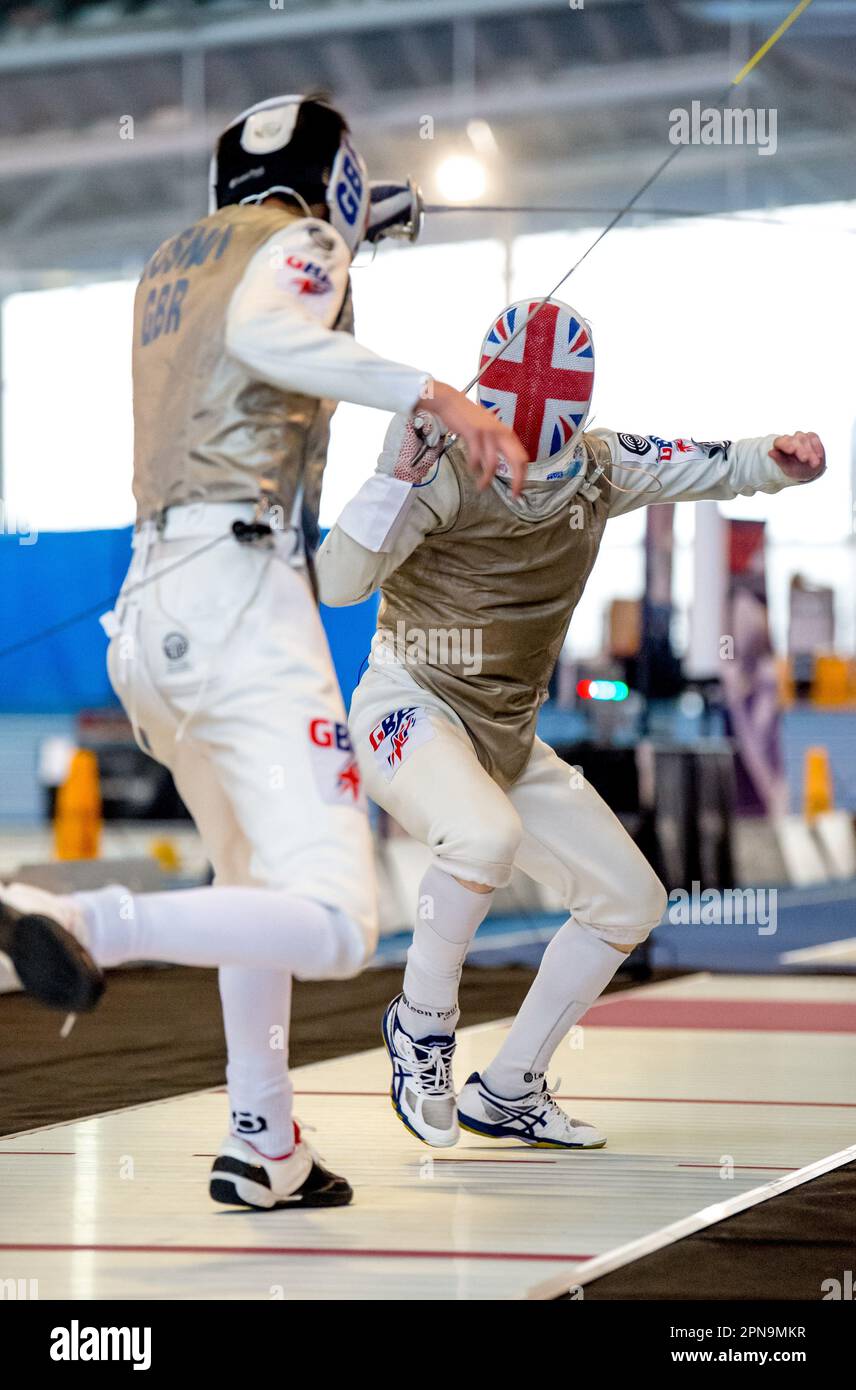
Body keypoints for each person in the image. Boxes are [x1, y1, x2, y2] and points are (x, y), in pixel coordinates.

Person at [0, 95, 526, 1209]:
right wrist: (440, 396)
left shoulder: (177, 258)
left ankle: (264, 1138)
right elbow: (275, 331)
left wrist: (356, 234)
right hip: (242, 606)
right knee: (339, 920)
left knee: (256, 886)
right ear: (330, 183)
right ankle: (78, 918)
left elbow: (258, 300)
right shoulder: (307, 246)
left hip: (147, 622)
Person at [316, 295, 827, 1151]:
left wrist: (779, 460)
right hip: (406, 705)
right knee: (481, 838)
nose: (522, 480)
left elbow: (709, 462)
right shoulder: (439, 468)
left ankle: (509, 1087)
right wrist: (390, 479)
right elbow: (336, 583)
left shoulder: (599, 466)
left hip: (505, 735)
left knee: (629, 900)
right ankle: (420, 1023)